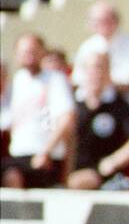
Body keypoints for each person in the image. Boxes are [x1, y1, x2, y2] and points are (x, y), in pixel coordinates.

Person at [66, 52, 129, 191]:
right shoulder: (70, 104)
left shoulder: (118, 105)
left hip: (104, 179)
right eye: (92, 68)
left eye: (101, 67)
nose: (95, 73)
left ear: (108, 72)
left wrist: (112, 162)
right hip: (69, 173)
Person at [1, 34, 76, 189]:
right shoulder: (17, 81)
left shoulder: (55, 80)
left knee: (12, 176)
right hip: (19, 154)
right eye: (24, 52)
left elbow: (66, 118)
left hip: (44, 156)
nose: (28, 57)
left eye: (32, 51)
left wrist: (46, 151)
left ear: (42, 52)